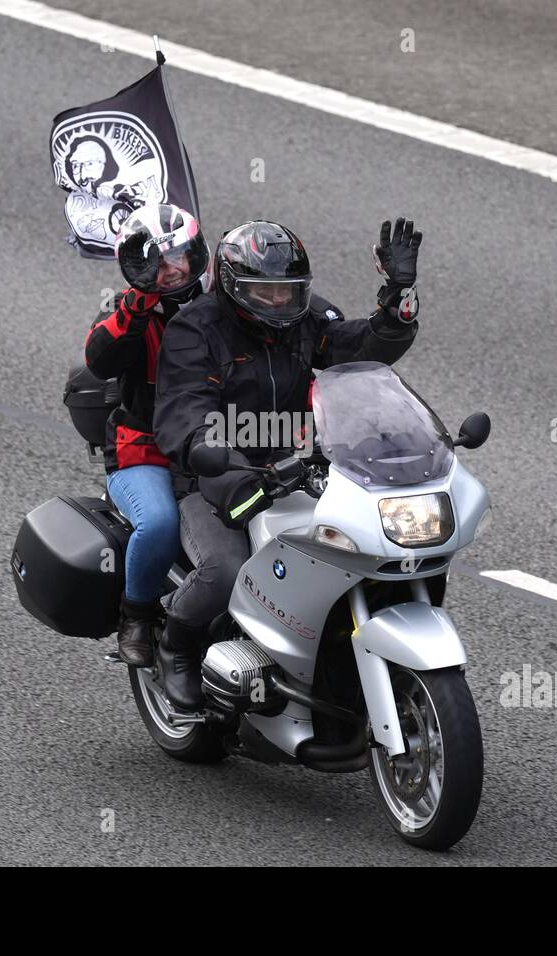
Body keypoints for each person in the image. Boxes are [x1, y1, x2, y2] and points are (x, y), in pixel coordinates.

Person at [152, 217, 424, 708]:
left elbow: (364, 352)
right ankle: (176, 647)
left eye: (288, 291)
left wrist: (398, 298)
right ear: (235, 288)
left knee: (358, 548)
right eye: (266, 292)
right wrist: (221, 461)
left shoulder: (305, 320)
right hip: (212, 474)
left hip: (298, 466)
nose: (280, 301)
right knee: (227, 568)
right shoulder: (195, 330)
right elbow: (186, 411)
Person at [85, 203, 210, 666]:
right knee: (159, 523)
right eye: (156, 261)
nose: (172, 269)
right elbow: (100, 357)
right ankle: (135, 615)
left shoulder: (226, 302)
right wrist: (138, 304)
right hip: (145, 451)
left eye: (179, 255)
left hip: (218, 443)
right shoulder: (131, 308)